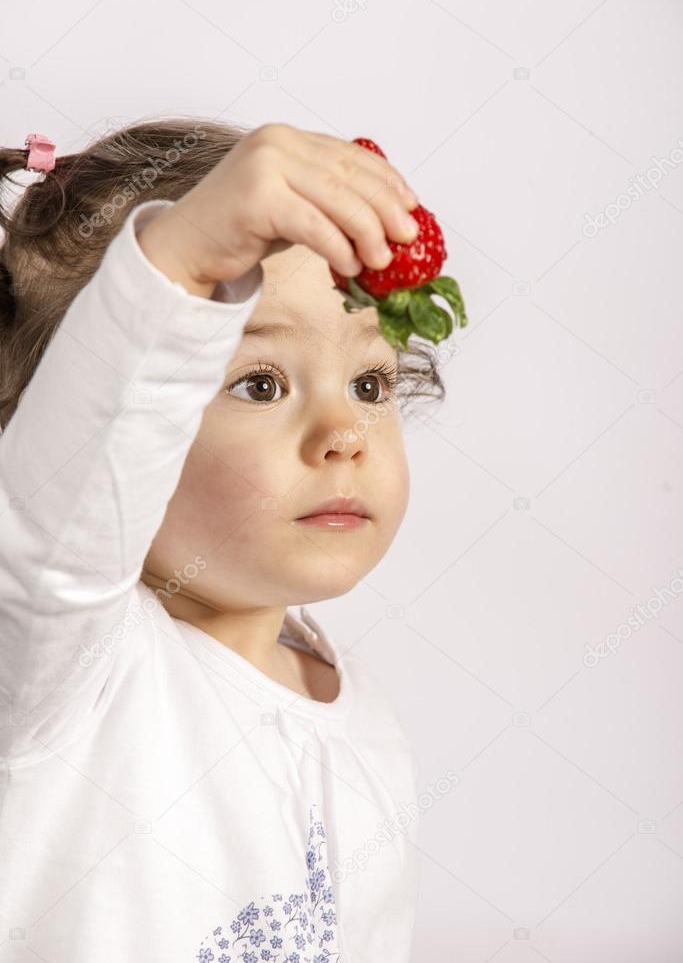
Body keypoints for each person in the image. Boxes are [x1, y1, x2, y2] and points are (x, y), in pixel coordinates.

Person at [0, 119, 445, 961]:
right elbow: (61, 525)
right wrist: (179, 265)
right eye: (260, 381)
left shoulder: (361, 719)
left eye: (369, 379)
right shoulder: (59, 668)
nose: (344, 431)